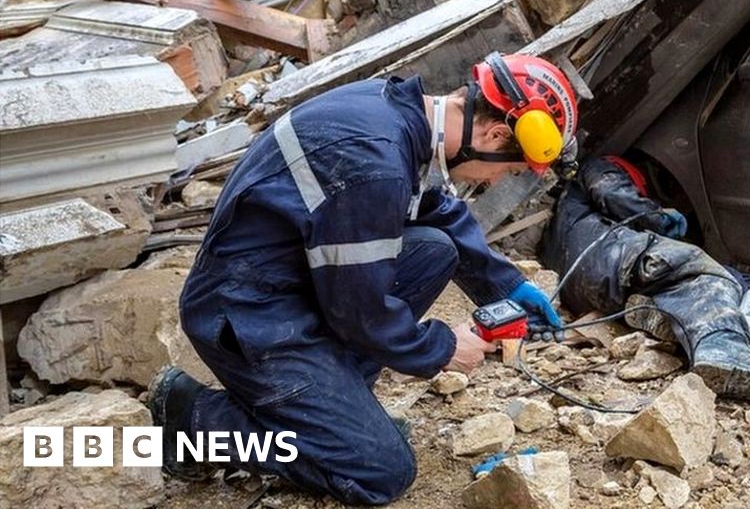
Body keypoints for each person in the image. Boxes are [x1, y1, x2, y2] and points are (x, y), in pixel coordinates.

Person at [148, 53, 579, 504]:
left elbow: (436, 209)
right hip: (248, 315)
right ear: (494, 134)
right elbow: (361, 313)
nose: (494, 182)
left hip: (289, 285)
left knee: (435, 250)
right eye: (507, 170)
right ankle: (195, 421)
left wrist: (507, 287)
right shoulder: (373, 162)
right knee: (381, 472)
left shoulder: (395, 116)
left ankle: (335, 409)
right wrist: (445, 347)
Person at [539, 156, 750, 404]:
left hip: (585, 288)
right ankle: (723, 346)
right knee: (697, 271)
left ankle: (662, 317)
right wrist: (662, 219)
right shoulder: (601, 165)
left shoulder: (565, 217)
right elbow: (615, 194)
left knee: (677, 285)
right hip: (610, 259)